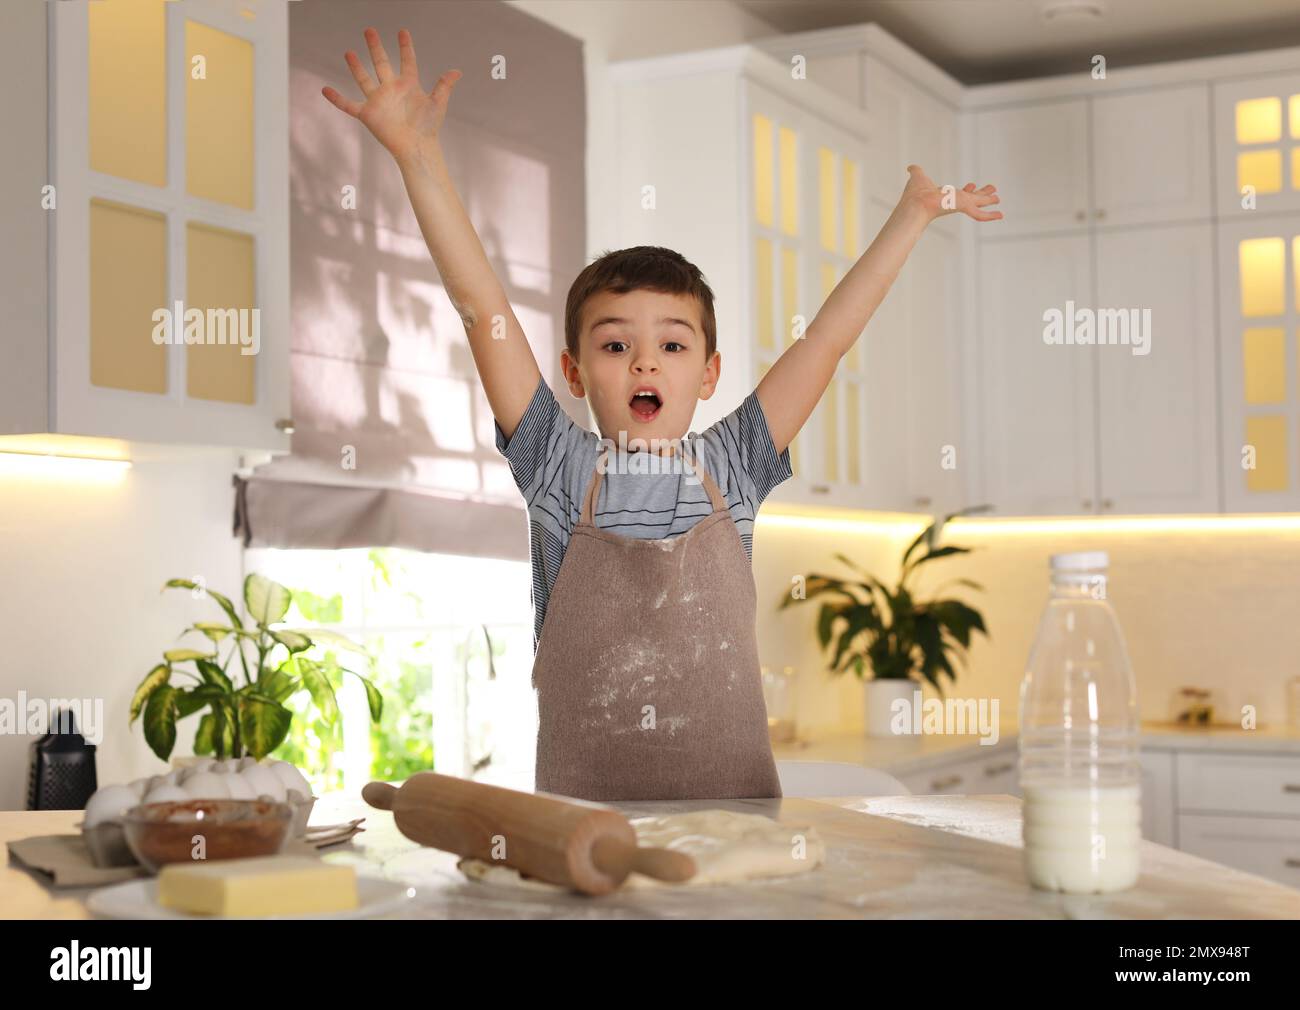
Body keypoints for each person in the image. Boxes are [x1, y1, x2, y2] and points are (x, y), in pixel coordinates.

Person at [322, 27, 1001, 801]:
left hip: (735, 840)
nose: (645, 362)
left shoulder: (734, 462)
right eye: (616, 346)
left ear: (709, 375)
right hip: (588, 840)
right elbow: (483, 308)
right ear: (574, 372)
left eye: (672, 346)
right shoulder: (555, 463)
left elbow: (827, 341)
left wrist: (911, 217)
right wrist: (418, 156)